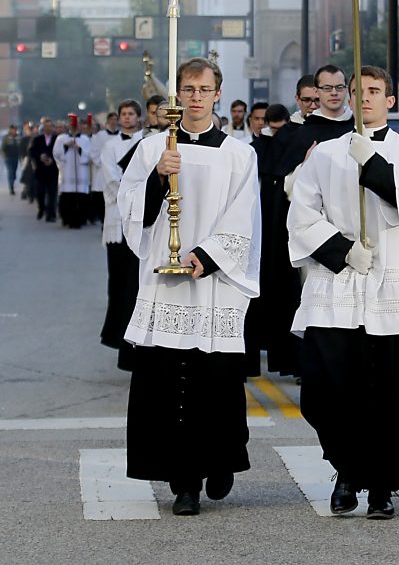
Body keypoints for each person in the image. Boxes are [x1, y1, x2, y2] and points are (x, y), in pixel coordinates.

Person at [287, 65, 399, 520]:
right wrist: (341, 250)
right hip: (338, 278)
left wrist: (371, 162)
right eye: (359, 91)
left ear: (389, 100)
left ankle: (380, 487)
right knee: (323, 389)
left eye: (374, 91)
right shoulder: (325, 154)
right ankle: (347, 466)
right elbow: (301, 213)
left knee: (386, 390)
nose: (365, 97)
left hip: (392, 280)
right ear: (349, 98)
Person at [117, 57, 261, 516]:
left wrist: (209, 256)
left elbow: (245, 215)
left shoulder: (239, 153)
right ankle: (184, 483)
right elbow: (128, 210)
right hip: (167, 279)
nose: (196, 97)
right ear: (177, 95)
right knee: (168, 383)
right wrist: (158, 177)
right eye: (188, 89)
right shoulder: (152, 149)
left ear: (218, 94)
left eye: (204, 89)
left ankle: (220, 461)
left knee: (215, 382)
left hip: (215, 280)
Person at [245, 102, 302, 378]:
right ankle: (247, 362)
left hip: (285, 232)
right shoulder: (253, 150)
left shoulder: (294, 146)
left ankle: (291, 360)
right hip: (256, 230)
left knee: (288, 298)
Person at [99, 99, 143, 372]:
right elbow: (111, 179)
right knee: (118, 283)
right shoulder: (110, 146)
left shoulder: (146, 143)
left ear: (138, 117)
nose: (127, 118)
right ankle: (117, 335)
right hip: (117, 218)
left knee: (135, 284)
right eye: (123, 114)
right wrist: (132, 193)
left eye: (131, 114)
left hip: (140, 219)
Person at [53, 116, 92, 228]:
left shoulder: (85, 139)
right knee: (67, 197)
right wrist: (66, 146)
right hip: (67, 171)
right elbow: (56, 153)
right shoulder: (61, 138)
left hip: (81, 172)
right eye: (72, 124)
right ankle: (67, 219)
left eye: (77, 124)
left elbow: (89, 155)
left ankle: (80, 219)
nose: (75, 126)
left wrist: (79, 149)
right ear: (68, 126)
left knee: (81, 197)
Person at [89, 112, 119, 224]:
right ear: (108, 121)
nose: (113, 121)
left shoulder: (121, 135)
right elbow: (94, 152)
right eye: (111, 119)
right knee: (101, 198)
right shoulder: (100, 136)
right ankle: (103, 220)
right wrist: (103, 163)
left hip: (117, 170)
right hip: (102, 170)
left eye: (115, 119)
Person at [29, 117, 58, 222]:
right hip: (40, 171)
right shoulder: (37, 139)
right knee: (40, 193)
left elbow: (60, 153)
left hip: (53, 171)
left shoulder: (57, 139)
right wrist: (40, 156)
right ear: (43, 127)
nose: (48, 128)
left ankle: (51, 214)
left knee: (52, 194)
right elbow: (31, 152)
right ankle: (42, 208)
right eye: (46, 126)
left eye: (50, 126)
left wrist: (52, 160)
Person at [1, 124, 20, 195]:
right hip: (8, 157)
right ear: (10, 130)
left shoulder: (18, 137)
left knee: (14, 172)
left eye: (15, 129)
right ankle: (11, 186)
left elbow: (20, 146)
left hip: (16, 157)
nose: (14, 131)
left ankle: (12, 180)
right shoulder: (6, 138)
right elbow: (2, 148)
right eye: (13, 129)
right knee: (10, 171)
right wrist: (4, 155)